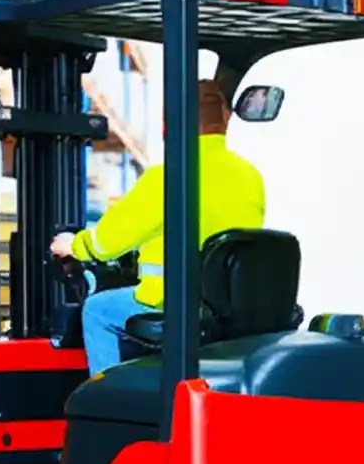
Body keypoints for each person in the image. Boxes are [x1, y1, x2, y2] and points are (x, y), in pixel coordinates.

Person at [49, 79, 266, 375]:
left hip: (172, 302)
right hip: (227, 308)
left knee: (98, 310)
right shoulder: (249, 177)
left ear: (171, 124)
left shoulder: (169, 175)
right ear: (225, 120)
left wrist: (73, 245)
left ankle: (110, 406)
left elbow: (109, 240)